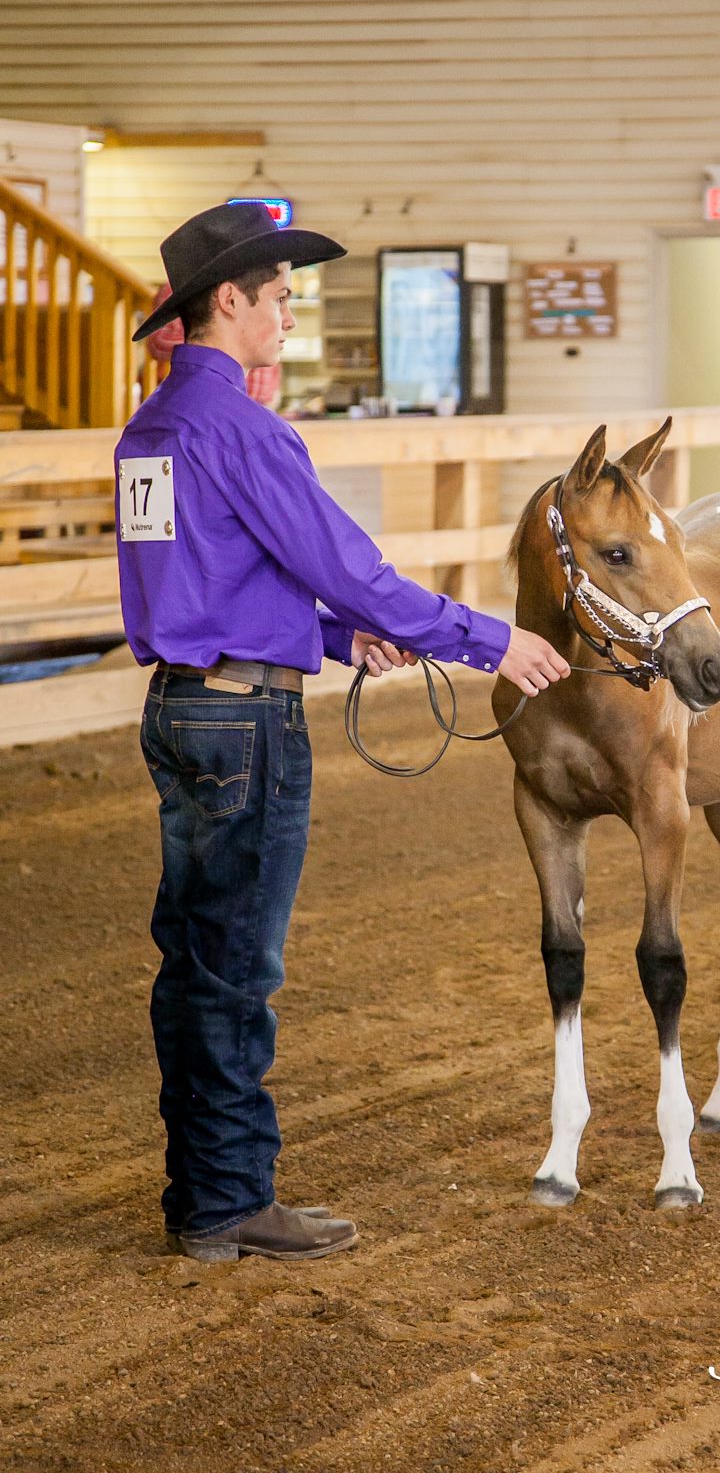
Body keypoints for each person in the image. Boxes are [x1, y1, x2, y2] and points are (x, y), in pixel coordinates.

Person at [120, 201, 569, 1264]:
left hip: (183, 707)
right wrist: (486, 639)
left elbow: (202, 581)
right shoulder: (245, 431)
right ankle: (230, 1201)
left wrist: (327, 637)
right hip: (247, 725)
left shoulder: (153, 429)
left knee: (191, 958)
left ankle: (202, 1191)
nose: (287, 313)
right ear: (225, 301)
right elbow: (350, 569)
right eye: (276, 297)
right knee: (236, 966)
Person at [144, 281, 282, 407]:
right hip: (207, 403)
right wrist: (219, 343)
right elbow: (159, 341)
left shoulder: (257, 281)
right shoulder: (180, 288)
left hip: (260, 404)